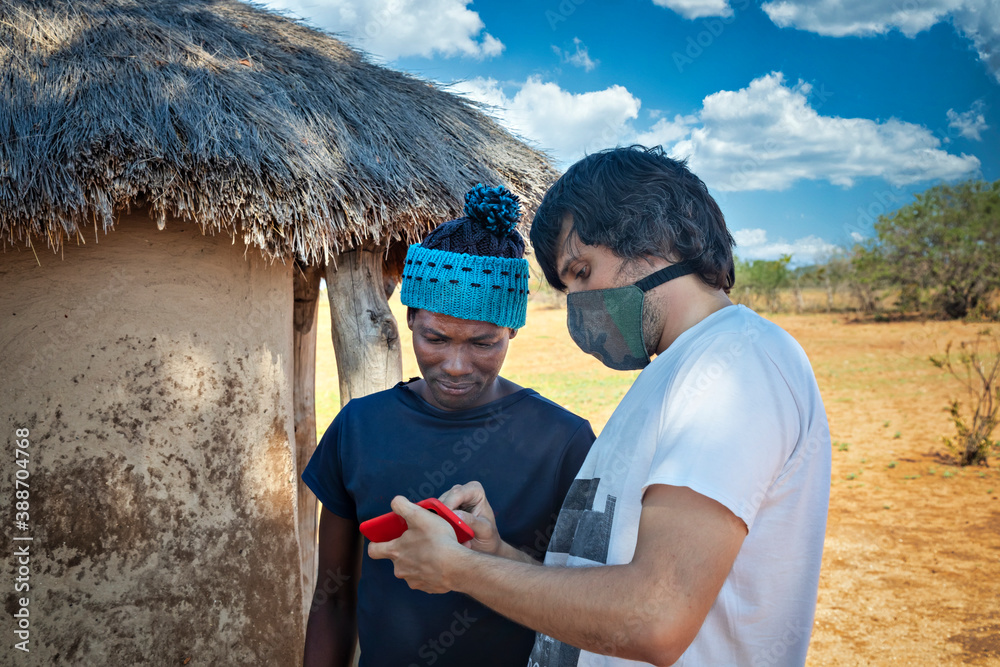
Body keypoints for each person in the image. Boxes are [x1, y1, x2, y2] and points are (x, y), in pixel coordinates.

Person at [369, 146, 833, 667]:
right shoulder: (678, 369)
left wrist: (460, 571)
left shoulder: (736, 364)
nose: (581, 305)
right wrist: (496, 555)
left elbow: (654, 618)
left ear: (655, 236)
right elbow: (606, 586)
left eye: (583, 270)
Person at [301, 184, 596, 667]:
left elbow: (591, 601)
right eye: (435, 338)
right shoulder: (358, 427)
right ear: (409, 319)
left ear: (512, 331)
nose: (456, 366)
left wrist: (493, 558)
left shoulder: (563, 442)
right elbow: (333, 597)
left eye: (483, 343)